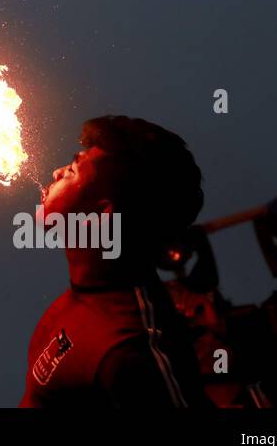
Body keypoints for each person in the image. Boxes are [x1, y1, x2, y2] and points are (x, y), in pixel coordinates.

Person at [20, 115, 212, 407]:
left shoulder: (129, 347)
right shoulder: (73, 304)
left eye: (71, 170)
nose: (57, 172)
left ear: (101, 214)